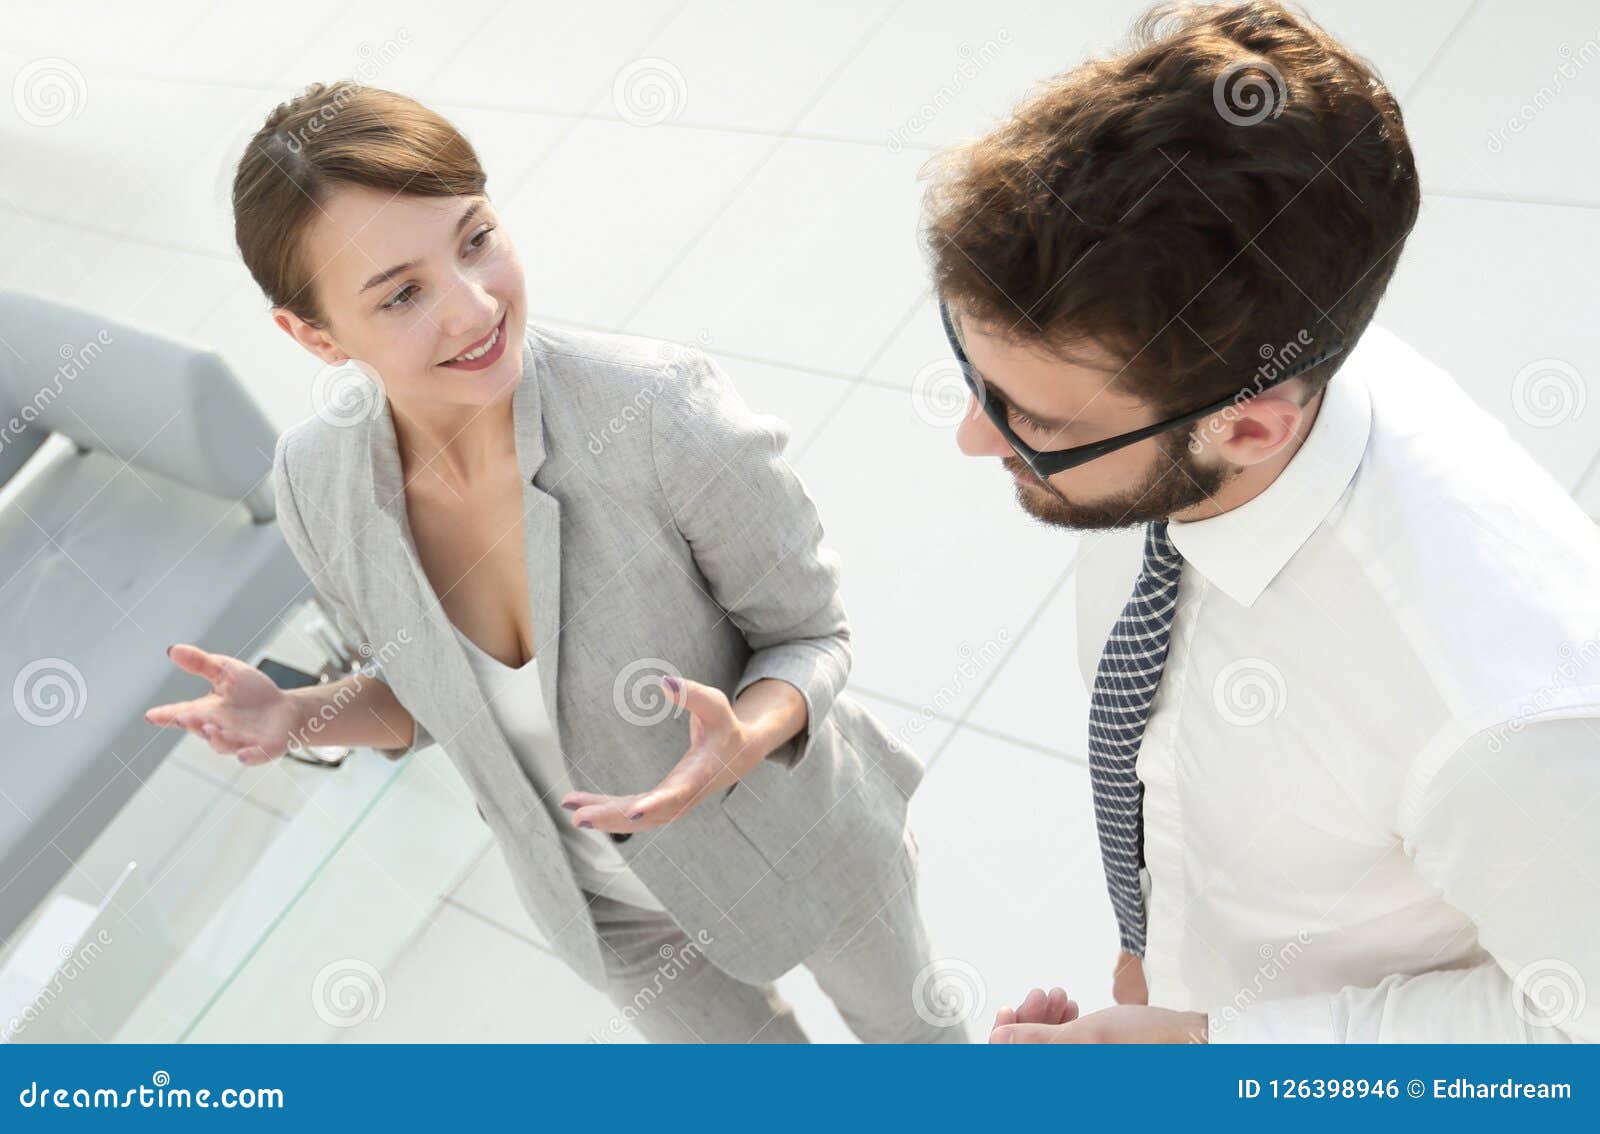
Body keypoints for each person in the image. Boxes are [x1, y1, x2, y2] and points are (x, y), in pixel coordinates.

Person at [145, 81, 961, 1044]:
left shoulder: (656, 411)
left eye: (475, 237)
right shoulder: (315, 487)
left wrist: (744, 733)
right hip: (604, 913)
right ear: (314, 335)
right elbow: (429, 701)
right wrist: (299, 714)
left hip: (797, 837)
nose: (474, 305)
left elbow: (810, 634)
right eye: (403, 293)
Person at [922, 0, 1600, 1042]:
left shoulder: (1494, 718)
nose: (973, 438)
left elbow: (1574, 1039)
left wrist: (1218, 1057)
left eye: (1036, 421)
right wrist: (1156, 957)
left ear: (1251, 430)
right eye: (975, 371)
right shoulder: (1230, 363)